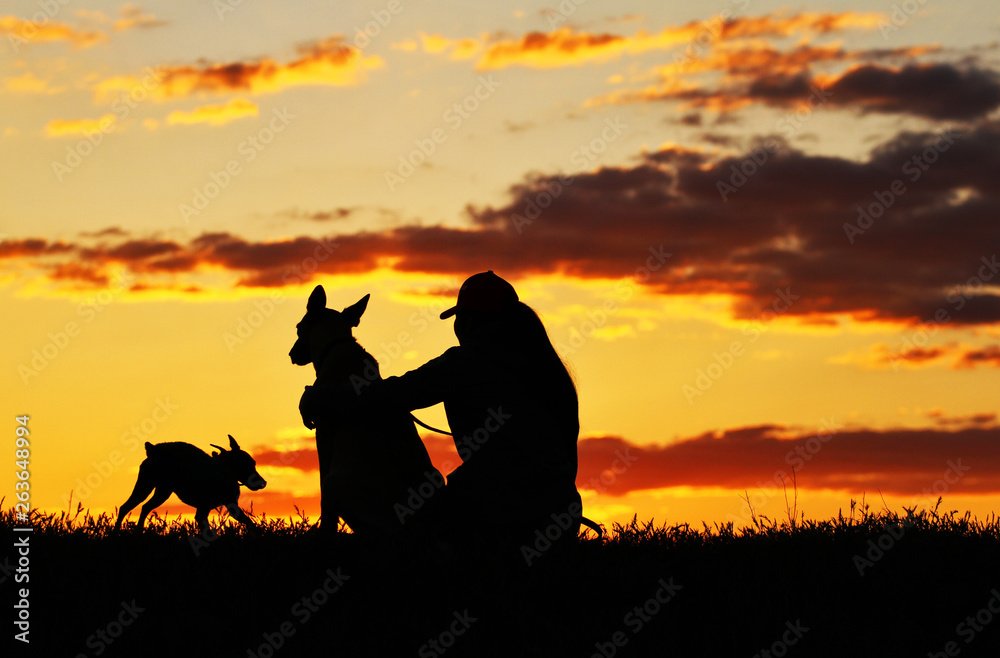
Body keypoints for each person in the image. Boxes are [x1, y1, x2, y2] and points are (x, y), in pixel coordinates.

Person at [299, 271, 583, 553]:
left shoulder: (468, 361)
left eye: (459, 318)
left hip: (501, 511)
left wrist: (319, 397)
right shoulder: (548, 369)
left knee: (421, 526)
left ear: (470, 320)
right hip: (561, 515)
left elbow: (394, 393)